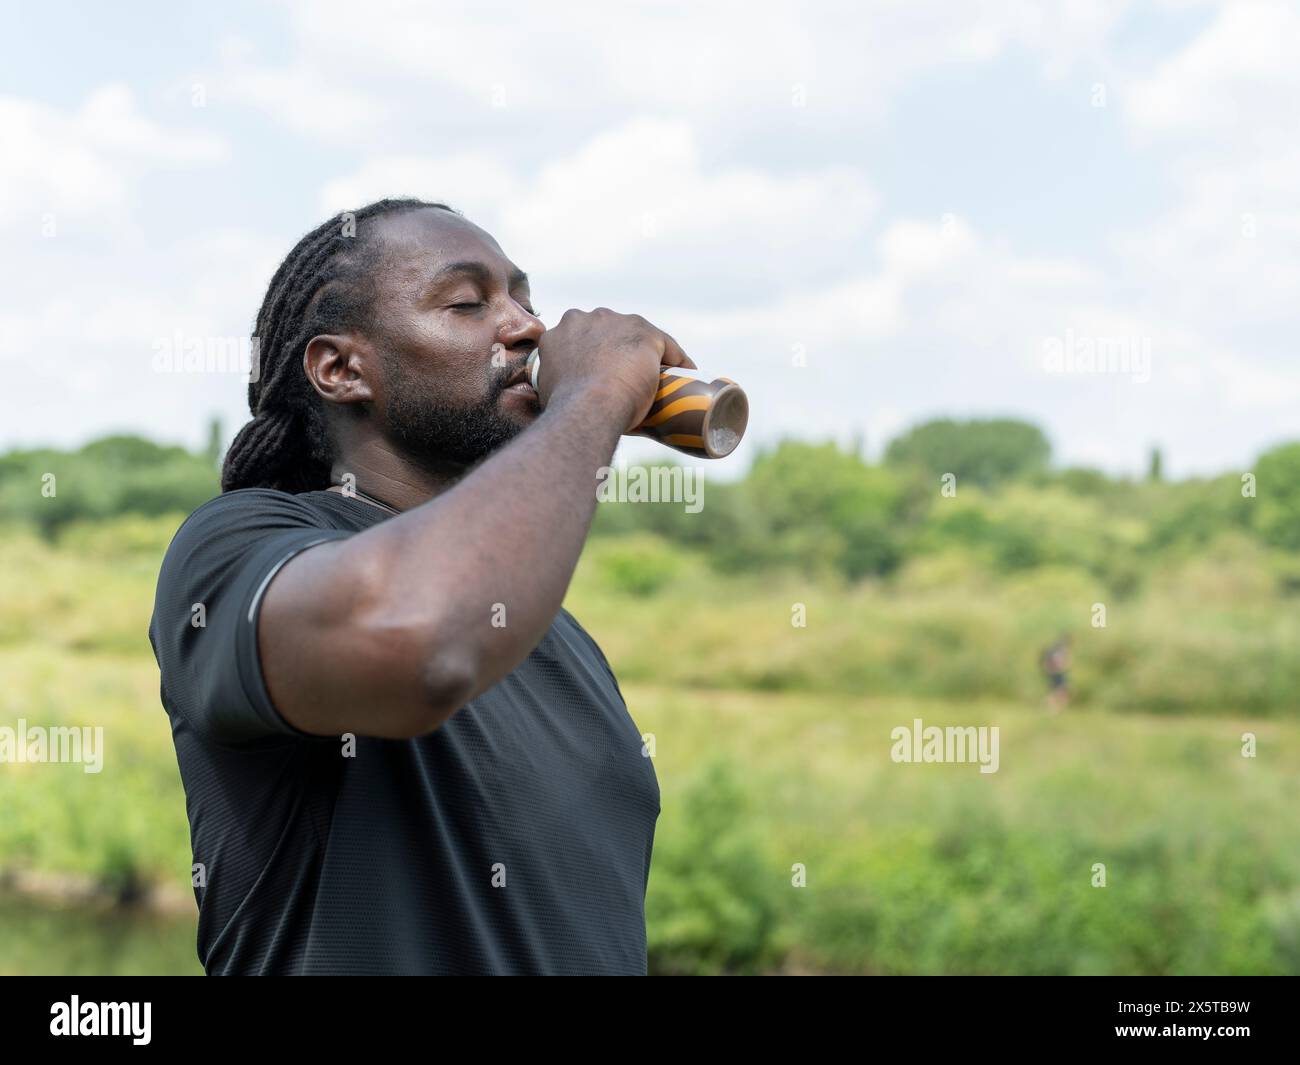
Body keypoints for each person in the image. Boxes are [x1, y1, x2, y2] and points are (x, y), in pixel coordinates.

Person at [148, 198, 695, 974]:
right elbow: (419, 638)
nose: (528, 327)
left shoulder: (560, 637)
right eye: (469, 303)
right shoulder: (234, 547)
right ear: (340, 368)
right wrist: (595, 397)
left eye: (524, 299)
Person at [1041, 634, 1072, 714]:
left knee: (1059, 691)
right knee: (1059, 691)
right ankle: (1052, 708)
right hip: (1057, 673)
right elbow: (1063, 663)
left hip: (1054, 673)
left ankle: (1055, 708)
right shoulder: (1059, 650)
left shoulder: (1053, 650)